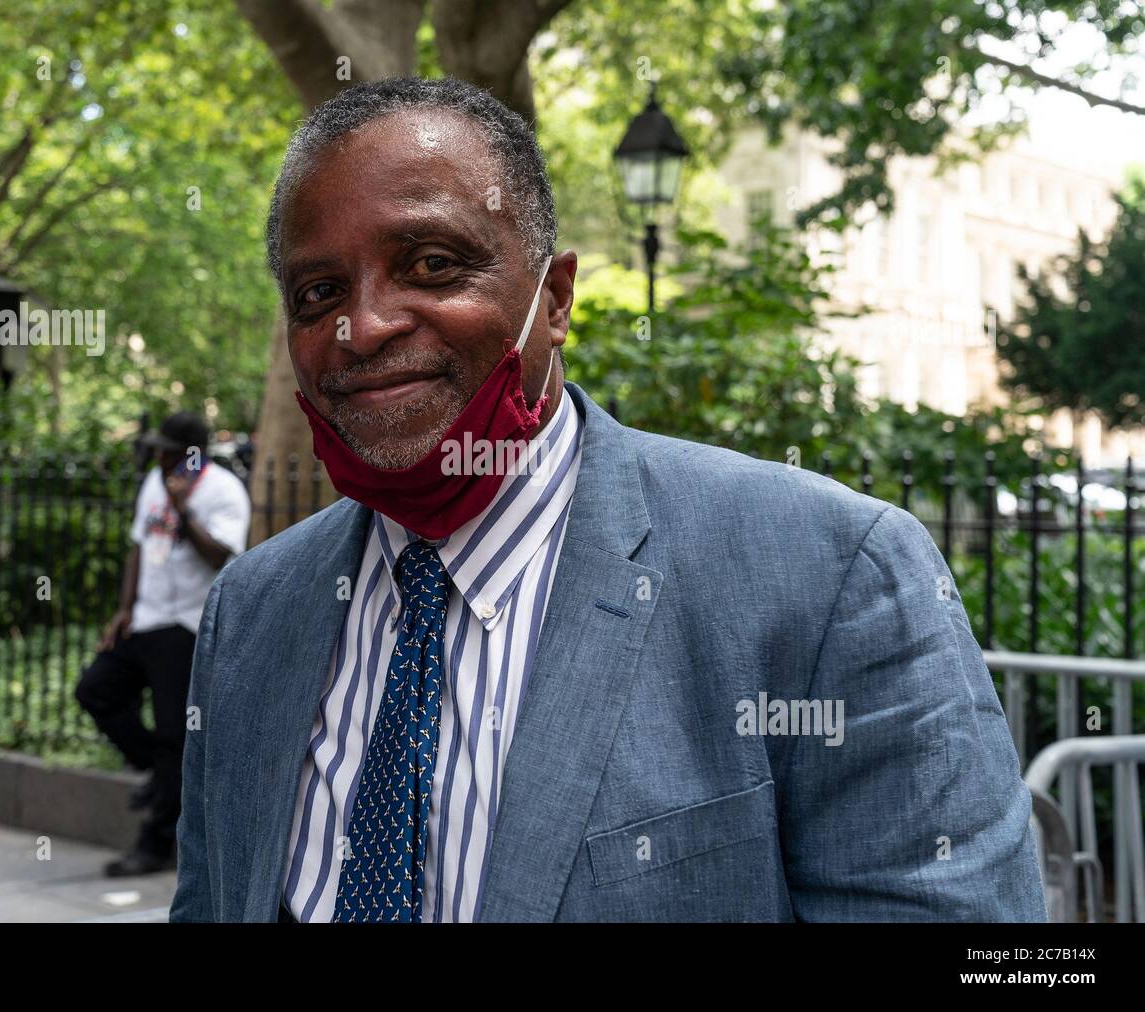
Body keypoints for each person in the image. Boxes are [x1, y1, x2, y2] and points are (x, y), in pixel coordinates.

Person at [170, 78, 1046, 922]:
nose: (364, 326)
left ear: (553, 299)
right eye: (319, 293)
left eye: (432, 265)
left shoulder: (831, 579)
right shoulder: (250, 610)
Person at [77, 410, 250, 877]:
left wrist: (183, 509)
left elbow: (222, 556)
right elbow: (138, 546)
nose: (158, 456)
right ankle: (157, 775)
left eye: (168, 450)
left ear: (191, 454)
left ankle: (154, 845)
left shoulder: (223, 490)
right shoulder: (155, 482)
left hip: (187, 625)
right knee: (95, 690)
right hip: (146, 619)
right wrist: (124, 608)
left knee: (176, 735)